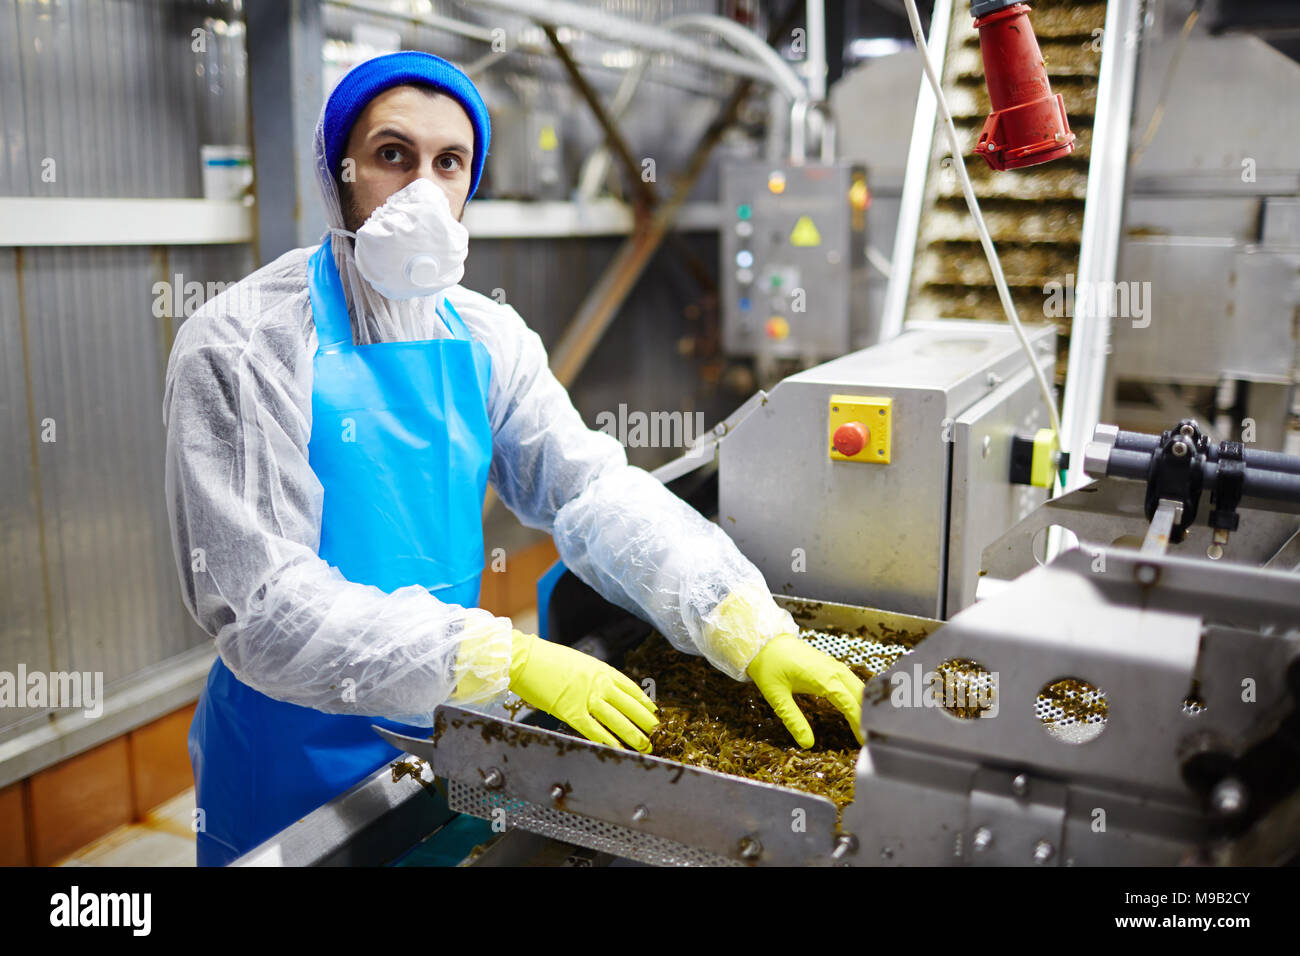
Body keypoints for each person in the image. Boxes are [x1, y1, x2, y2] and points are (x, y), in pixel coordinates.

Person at [163, 51, 865, 867]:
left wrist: (737, 621)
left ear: (472, 185)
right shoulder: (244, 341)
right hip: (290, 761)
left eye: (449, 162)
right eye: (394, 155)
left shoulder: (486, 336)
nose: (423, 187)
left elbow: (590, 490)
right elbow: (266, 609)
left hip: (442, 728)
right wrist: (502, 655)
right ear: (338, 170)